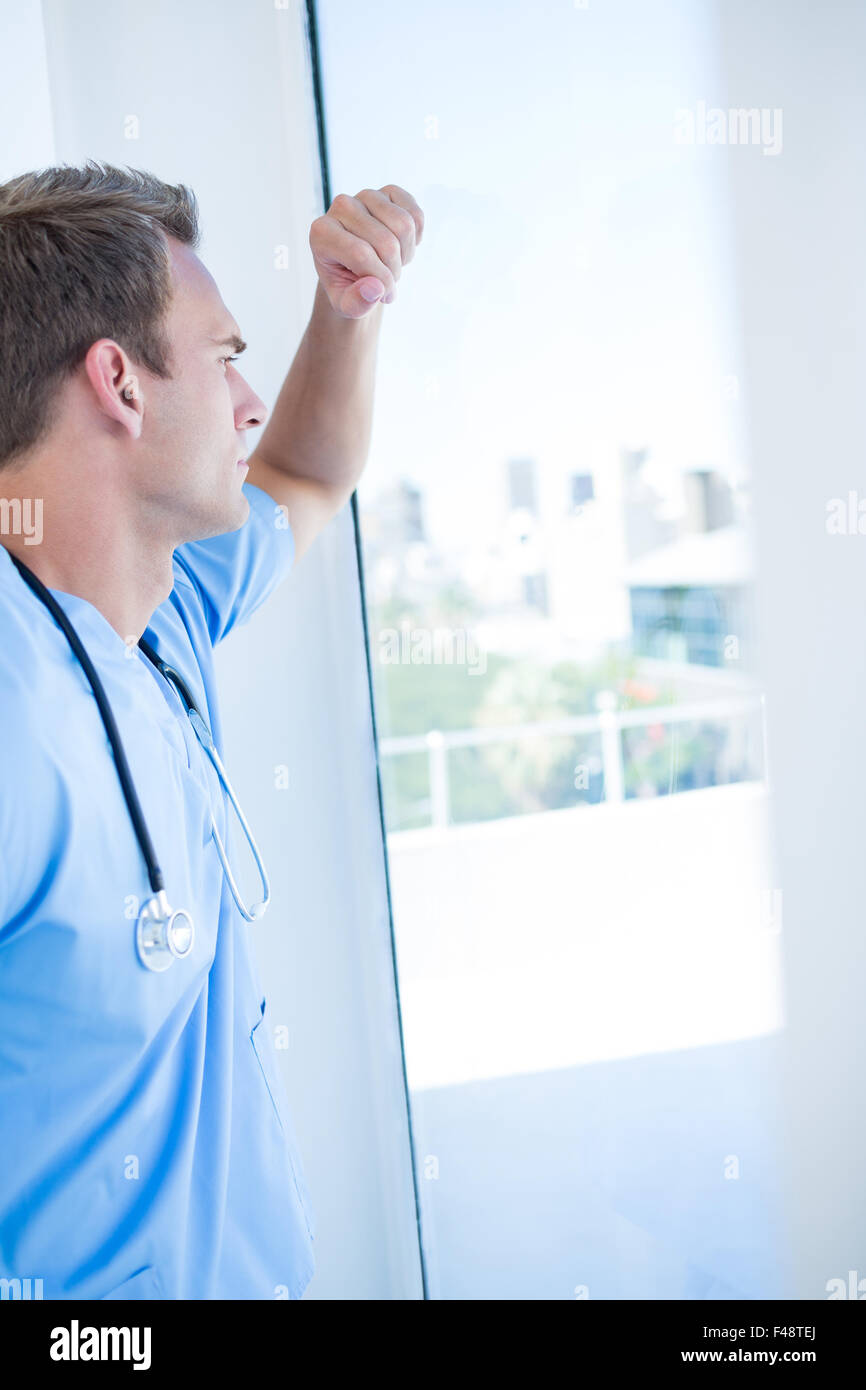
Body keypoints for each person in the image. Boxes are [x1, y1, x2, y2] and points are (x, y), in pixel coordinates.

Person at [0, 160, 423, 1299]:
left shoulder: (159, 615)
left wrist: (345, 311)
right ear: (120, 385)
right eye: (228, 359)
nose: (249, 402)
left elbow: (306, 469)